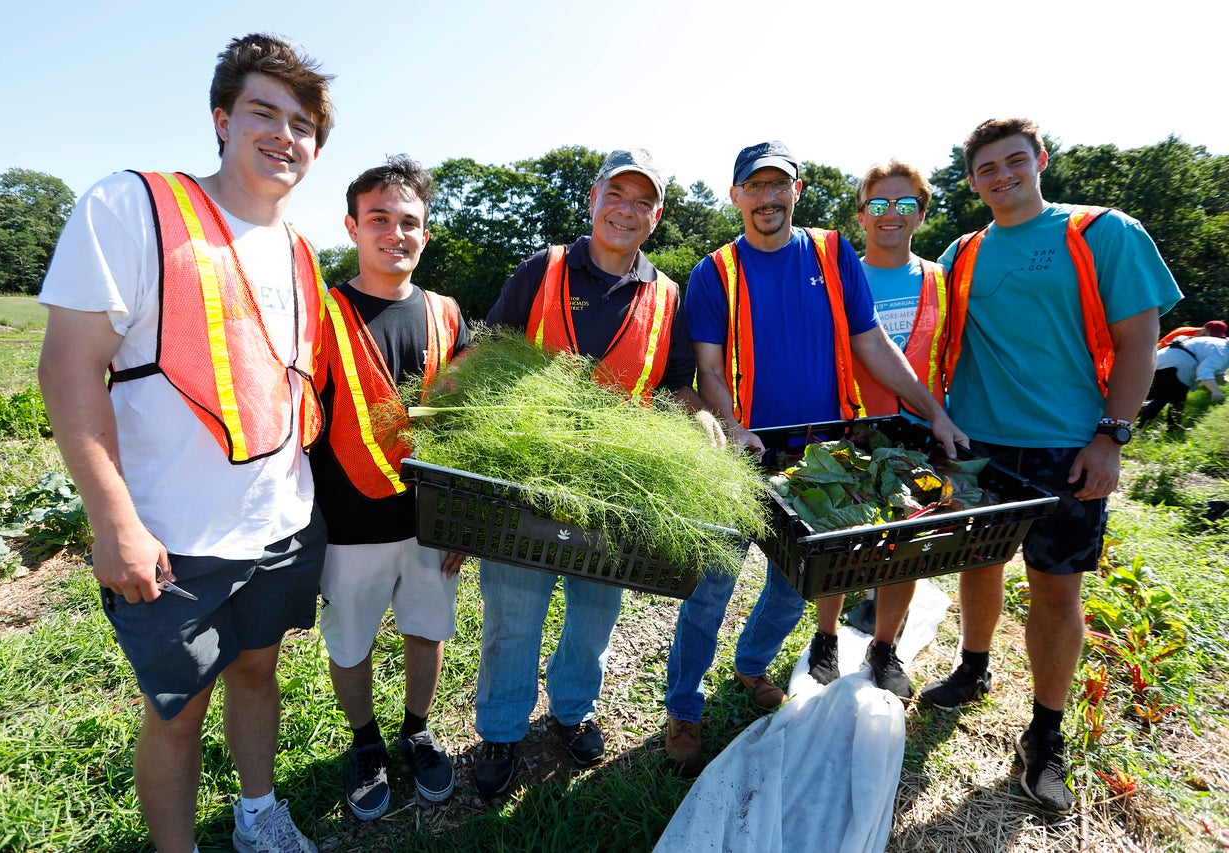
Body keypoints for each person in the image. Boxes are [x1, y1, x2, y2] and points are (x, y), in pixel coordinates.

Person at [37, 34, 335, 853]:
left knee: (257, 672)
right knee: (176, 708)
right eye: (262, 112)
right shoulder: (133, 206)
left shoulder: (300, 249)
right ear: (221, 119)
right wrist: (115, 523)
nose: (284, 135)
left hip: (279, 523)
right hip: (172, 539)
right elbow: (68, 372)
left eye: (303, 124)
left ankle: (259, 812)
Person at [662, 141, 966, 777]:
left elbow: (870, 341)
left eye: (781, 185)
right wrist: (734, 426)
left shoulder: (831, 255)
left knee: (795, 583)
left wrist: (932, 408)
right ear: (736, 195)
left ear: (797, 191)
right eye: (756, 186)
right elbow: (710, 370)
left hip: (819, 456)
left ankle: (751, 666)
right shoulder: (713, 272)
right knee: (712, 583)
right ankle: (683, 708)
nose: (768, 198)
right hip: (738, 457)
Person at [923, 117, 1180, 814]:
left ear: (1040, 159)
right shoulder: (963, 250)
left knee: (1056, 589)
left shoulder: (1103, 233)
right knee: (979, 564)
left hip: (1066, 447)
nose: (1001, 175)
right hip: (976, 443)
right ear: (972, 182)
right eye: (985, 169)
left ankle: (1045, 733)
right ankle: (973, 669)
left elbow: (1138, 341)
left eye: (1014, 161)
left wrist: (1111, 437)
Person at [472, 149, 710, 798]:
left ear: (655, 217)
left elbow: (673, 387)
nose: (626, 210)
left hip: (614, 490)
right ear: (594, 197)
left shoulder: (667, 295)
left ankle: (572, 712)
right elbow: (489, 356)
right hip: (527, 477)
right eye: (617, 195)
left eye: (642, 202)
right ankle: (500, 729)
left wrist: (702, 417)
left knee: (595, 614)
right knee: (513, 613)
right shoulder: (543, 268)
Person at [309, 157, 470, 821]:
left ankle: (415, 730)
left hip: (430, 524)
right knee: (351, 641)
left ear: (425, 234)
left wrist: (462, 518)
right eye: (379, 218)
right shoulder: (319, 311)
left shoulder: (447, 313)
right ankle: (365, 741)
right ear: (352, 225)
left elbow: (463, 429)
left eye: (410, 221)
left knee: (426, 631)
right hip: (346, 526)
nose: (395, 232)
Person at [794, 159, 952, 701]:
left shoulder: (939, 279)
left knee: (912, 540)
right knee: (841, 534)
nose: (892, 214)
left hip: (916, 437)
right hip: (851, 430)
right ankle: (826, 635)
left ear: (922, 214)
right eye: (879, 204)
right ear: (861, 215)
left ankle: (884, 647)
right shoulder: (838, 277)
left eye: (905, 204)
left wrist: (940, 415)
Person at [1136, 327, 1228, 428]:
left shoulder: (1222, 346)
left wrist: (1224, 384)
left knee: (1160, 399)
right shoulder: (1223, 352)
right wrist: (1216, 391)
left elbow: (1218, 374)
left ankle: (1140, 427)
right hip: (1176, 365)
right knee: (1177, 401)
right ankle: (1173, 429)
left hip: (1163, 360)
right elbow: (1204, 371)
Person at [1156, 319, 1226, 349]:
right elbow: (1159, 347)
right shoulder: (1183, 332)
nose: (1213, 339)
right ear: (1203, 330)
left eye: (1217, 337)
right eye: (1212, 335)